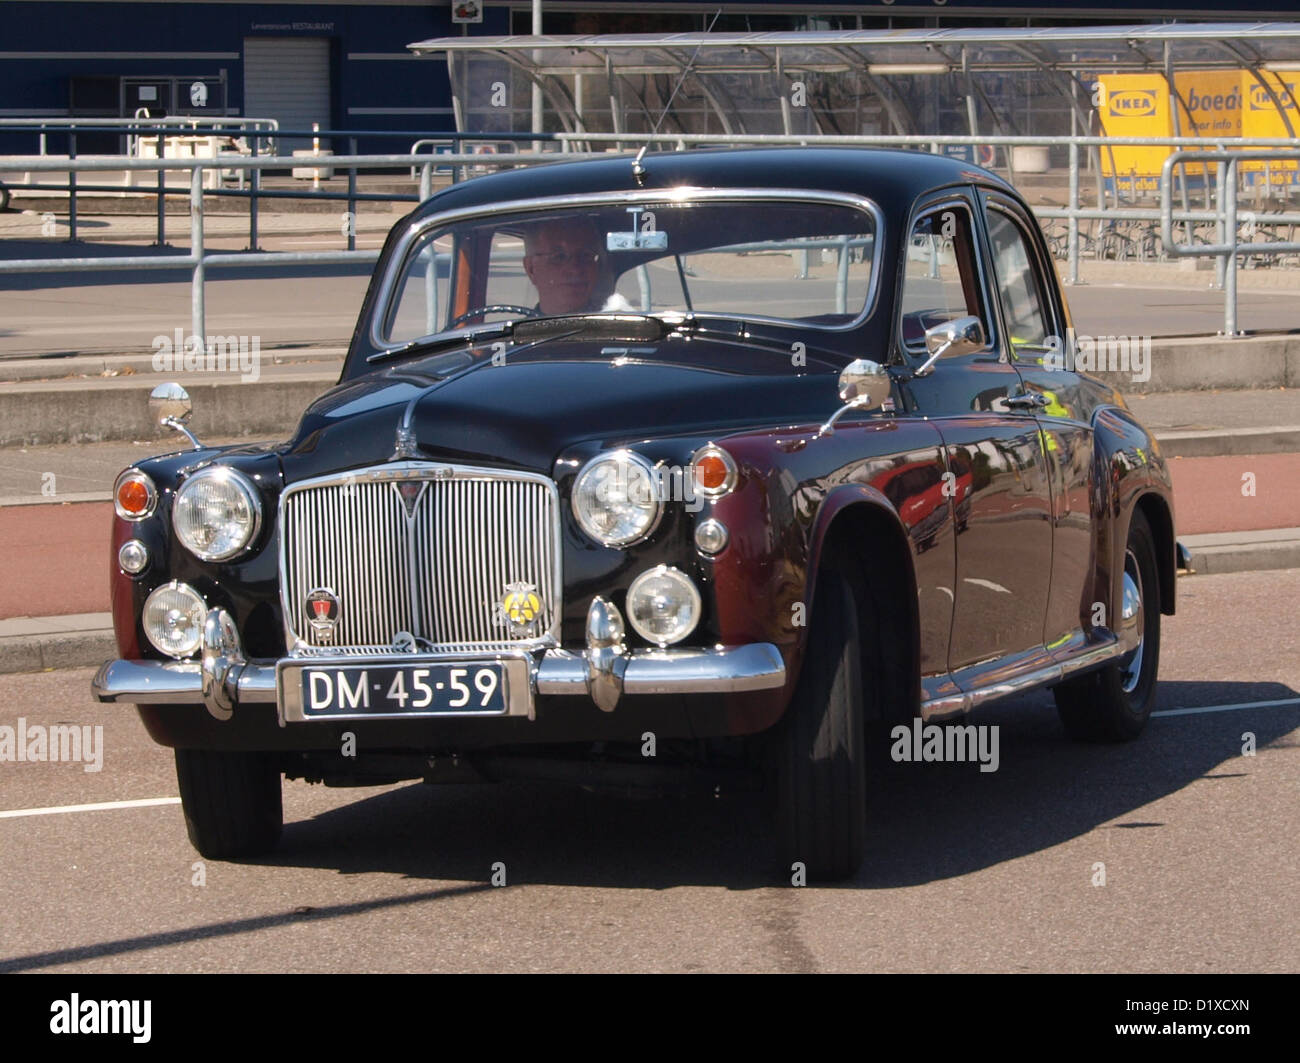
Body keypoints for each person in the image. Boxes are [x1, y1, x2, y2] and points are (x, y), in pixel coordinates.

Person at [522, 219, 632, 315]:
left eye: (585, 256)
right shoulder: (517, 337)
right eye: (559, 257)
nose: (575, 269)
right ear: (531, 269)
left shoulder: (622, 331)